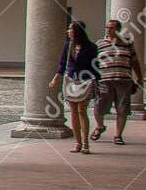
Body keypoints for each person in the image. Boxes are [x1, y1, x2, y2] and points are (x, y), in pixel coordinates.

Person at [50, 20, 99, 154]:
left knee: (82, 111)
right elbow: (62, 63)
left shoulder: (91, 47)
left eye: (70, 29)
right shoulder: (68, 45)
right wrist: (55, 78)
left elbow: (95, 66)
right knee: (73, 111)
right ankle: (77, 142)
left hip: (85, 81)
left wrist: (96, 82)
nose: (68, 31)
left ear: (77, 31)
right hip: (71, 80)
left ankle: (85, 144)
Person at [93, 17, 141, 146]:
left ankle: (118, 135)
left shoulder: (127, 42)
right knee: (98, 107)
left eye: (111, 28)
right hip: (104, 80)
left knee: (122, 108)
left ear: (118, 29)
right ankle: (99, 126)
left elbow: (134, 61)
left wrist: (139, 77)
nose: (108, 30)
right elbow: (95, 63)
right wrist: (94, 79)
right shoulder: (100, 43)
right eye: (107, 27)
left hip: (123, 80)